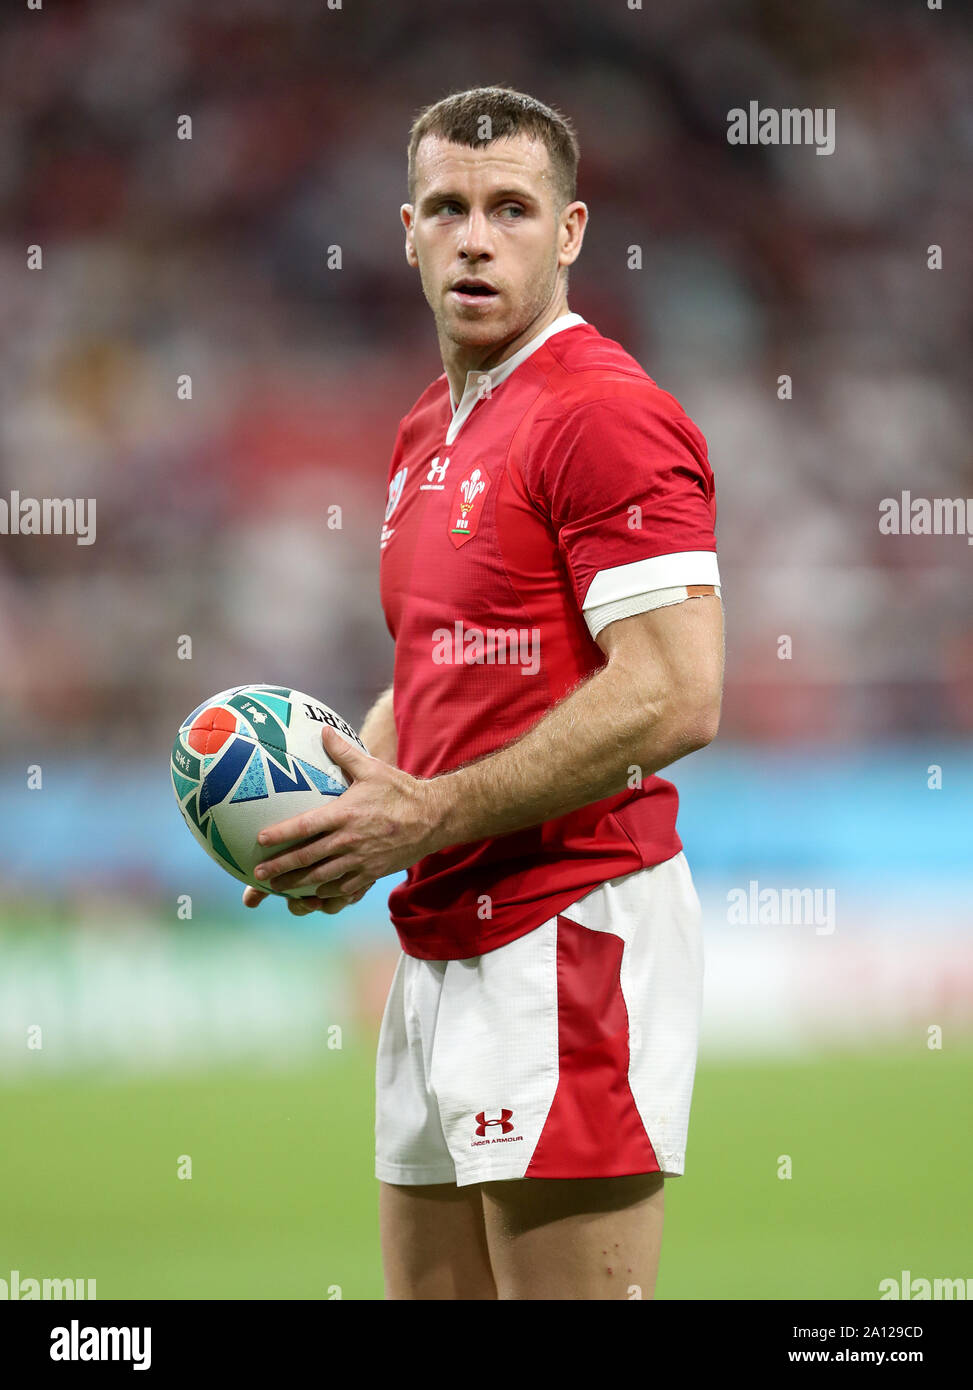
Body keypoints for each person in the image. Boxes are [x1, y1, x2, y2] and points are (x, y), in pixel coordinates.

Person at [244, 85, 724, 1300]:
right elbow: (439, 663)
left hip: (566, 926)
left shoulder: (602, 415)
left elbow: (678, 695)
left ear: (567, 233)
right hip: (441, 936)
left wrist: (428, 814)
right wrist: (341, 801)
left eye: (510, 208)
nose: (474, 236)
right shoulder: (427, 430)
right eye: (448, 208)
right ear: (406, 229)